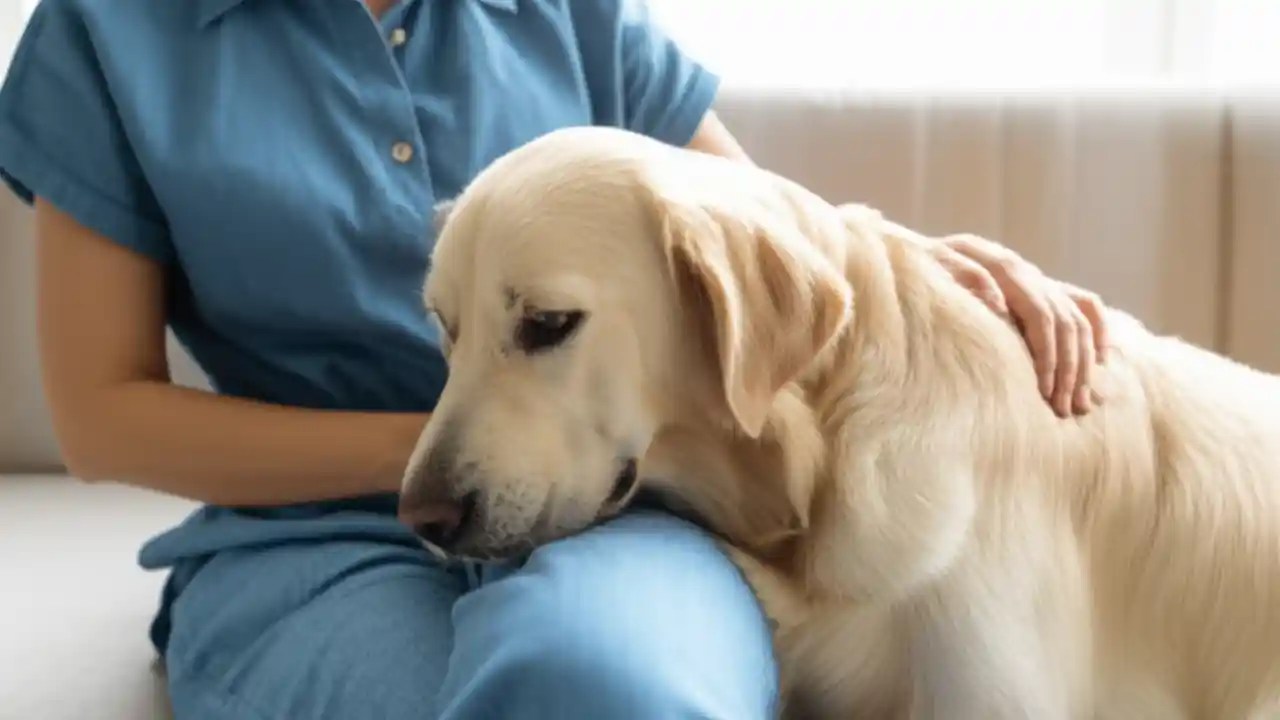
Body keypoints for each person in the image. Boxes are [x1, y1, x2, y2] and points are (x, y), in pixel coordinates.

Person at [0, 0, 1108, 717]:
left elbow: (738, 226)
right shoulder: (108, 31)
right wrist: (447, 456)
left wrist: (911, 269)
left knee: (610, 689)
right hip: (310, 540)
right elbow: (102, 417)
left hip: (625, 516)